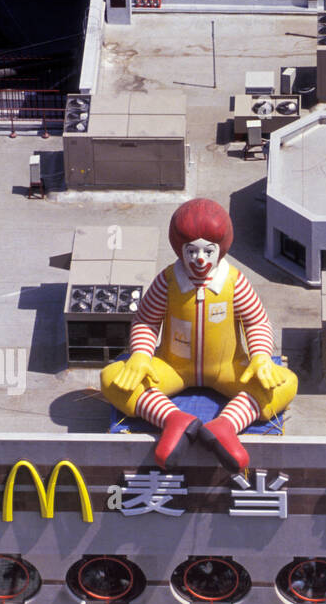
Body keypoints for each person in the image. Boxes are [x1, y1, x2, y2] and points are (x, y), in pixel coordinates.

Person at [99, 197, 298, 474]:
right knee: (112, 380)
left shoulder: (234, 283)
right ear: (180, 250)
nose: (200, 259)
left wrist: (261, 357)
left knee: (286, 382)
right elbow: (146, 320)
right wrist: (142, 356)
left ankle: (226, 425)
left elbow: (256, 322)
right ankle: (174, 421)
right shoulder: (167, 282)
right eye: (191, 251)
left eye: (208, 250)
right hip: (171, 367)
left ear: (221, 249)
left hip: (228, 368)